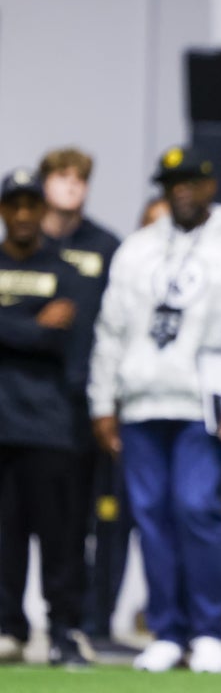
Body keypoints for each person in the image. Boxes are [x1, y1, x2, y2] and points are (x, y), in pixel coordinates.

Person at [87, 145, 221, 673]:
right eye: (172, 182)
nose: (182, 191)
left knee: (195, 509)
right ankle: (167, 632)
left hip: (206, 402)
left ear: (211, 185)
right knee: (151, 519)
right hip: (142, 400)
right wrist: (102, 401)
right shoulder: (138, 249)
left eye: (191, 181)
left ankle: (208, 632)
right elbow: (111, 329)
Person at [36, 147, 132, 657]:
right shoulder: (21, 247)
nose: (71, 186)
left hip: (88, 403)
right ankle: (32, 624)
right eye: (62, 177)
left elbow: (118, 327)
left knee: (96, 521)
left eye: (80, 178)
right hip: (26, 407)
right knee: (36, 522)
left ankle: (87, 625)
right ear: (46, 182)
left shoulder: (106, 246)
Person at [0, 168, 87, 667]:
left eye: (32, 205)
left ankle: (64, 629)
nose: (25, 215)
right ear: (5, 211)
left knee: (59, 538)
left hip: (49, 424)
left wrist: (20, 331)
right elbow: (41, 333)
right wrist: (30, 326)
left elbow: (62, 336)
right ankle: (9, 627)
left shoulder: (63, 268)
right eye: (15, 205)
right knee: (4, 537)